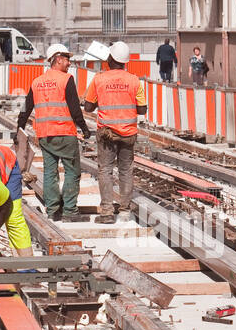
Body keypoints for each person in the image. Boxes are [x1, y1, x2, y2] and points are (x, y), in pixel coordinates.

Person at [16, 42, 90, 222]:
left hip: (45, 135)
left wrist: (19, 128)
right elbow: (74, 109)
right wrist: (84, 128)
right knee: (72, 171)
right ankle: (69, 211)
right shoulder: (66, 79)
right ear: (57, 59)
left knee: (50, 172)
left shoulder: (37, 82)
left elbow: (26, 108)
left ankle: (52, 211)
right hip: (64, 133)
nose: (69, 63)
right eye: (66, 59)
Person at [83, 41, 147, 224]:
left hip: (106, 133)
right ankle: (125, 211)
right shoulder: (134, 80)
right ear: (125, 62)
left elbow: (88, 106)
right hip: (128, 133)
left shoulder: (99, 79)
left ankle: (107, 213)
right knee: (126, 170)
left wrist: (100, 101)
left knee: (106, 171)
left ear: (110, 58)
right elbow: (142, 109)